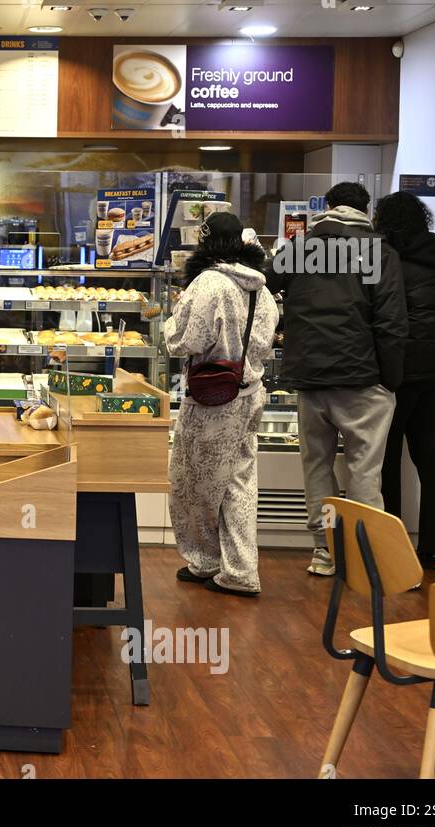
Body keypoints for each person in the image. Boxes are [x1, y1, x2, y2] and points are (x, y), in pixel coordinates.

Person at [266, 182, 408, 577]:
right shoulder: (379, 253)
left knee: (317, 466)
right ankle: (363, 559)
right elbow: (392, 323)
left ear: (327, 208)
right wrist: (391, 380)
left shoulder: (300, 249)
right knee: (364, 470)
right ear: (366, 212)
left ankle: (325, 551)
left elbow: (263, 285)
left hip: (310, 378)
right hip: (363, 379)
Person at [165, 213, 279, 597]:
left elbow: (183, 341)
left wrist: (170, 320)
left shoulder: (209, 283)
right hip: (250, 394)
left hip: (213, 399)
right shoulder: (260, 288)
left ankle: (205, 560)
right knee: (239, 482)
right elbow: (266, 340)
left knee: (192, 483)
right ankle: (241, 571)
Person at [374, 191, 435, 572]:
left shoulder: (386, 261)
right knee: (429, 456)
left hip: (392, 375)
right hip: (433, 374)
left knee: (386, 461)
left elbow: (378, 321)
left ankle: (389, 550)